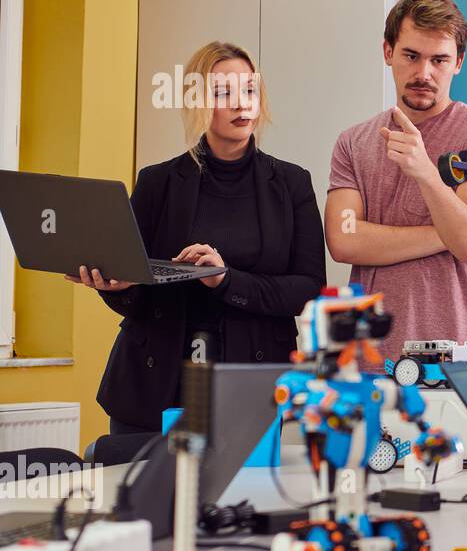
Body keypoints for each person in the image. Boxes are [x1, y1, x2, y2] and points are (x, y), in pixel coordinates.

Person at [68, 41, 327, 433]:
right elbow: (137, 295)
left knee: (250, 494)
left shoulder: (291, 184)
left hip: (253, 383)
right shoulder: (157, 182)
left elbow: (309, 290)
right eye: (224, 92)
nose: (241, 104)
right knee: (144, 495)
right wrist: (116, 285)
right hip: (155, 387)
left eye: (249, 90)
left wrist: (226, 280)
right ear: (198, 102)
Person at [325, 0, 467, 365]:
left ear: (458, 62)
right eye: (411, 56)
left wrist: (425, 170)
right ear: (387, 52)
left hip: (459, 360)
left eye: (439, 60)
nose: (423, 73)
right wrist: (448, 234)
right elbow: (344, 241)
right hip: (371, 360)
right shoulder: (353, 141)